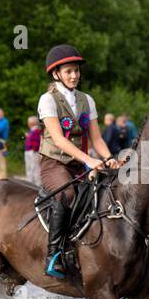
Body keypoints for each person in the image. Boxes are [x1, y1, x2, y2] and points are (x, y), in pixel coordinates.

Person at [37, 44, 120, 277]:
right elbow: (59, 140)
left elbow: (96, 138)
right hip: (54, 163)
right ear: (56, 74)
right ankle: (53, 254)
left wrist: (109, 158)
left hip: (79, 163)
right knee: (68, 194)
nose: (74, 76)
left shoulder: (87, 100)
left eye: (76, 71)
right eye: (69, 72)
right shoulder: (48, 99)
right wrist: (90, 160)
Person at [23, 115, 42, 185]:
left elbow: (37, 141)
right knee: (29, 168)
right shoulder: (32, 130)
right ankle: (29, 182)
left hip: (33, 152)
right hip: (29, 151)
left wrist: (34, 149)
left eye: (29, 122)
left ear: (31, 123)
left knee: (35, 168)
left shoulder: (36, 130)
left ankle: (37, 183)